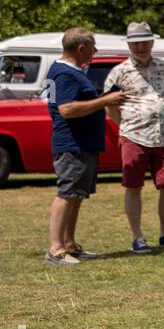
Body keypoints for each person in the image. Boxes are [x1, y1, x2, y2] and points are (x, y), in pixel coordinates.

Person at [103, 21, 164, 254]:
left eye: (144, 42)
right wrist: (126, 126)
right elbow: (110, 106)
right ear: (129, 45)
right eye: (135, 43)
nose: (140, 47)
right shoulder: (119, 71)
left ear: (152, 41)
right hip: (134, 137)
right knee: (133, 186)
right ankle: (137, 237)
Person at [45, 28, 127, 265]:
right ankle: (56, 249)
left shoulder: (68, 71)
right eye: (93, 47)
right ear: (81, 48)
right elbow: (66, 109)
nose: (95, 51)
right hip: (72, 144)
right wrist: (105, 100)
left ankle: (69, 244)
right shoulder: (65, 74)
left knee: (77, 195)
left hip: (82, 144)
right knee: (67, 194)